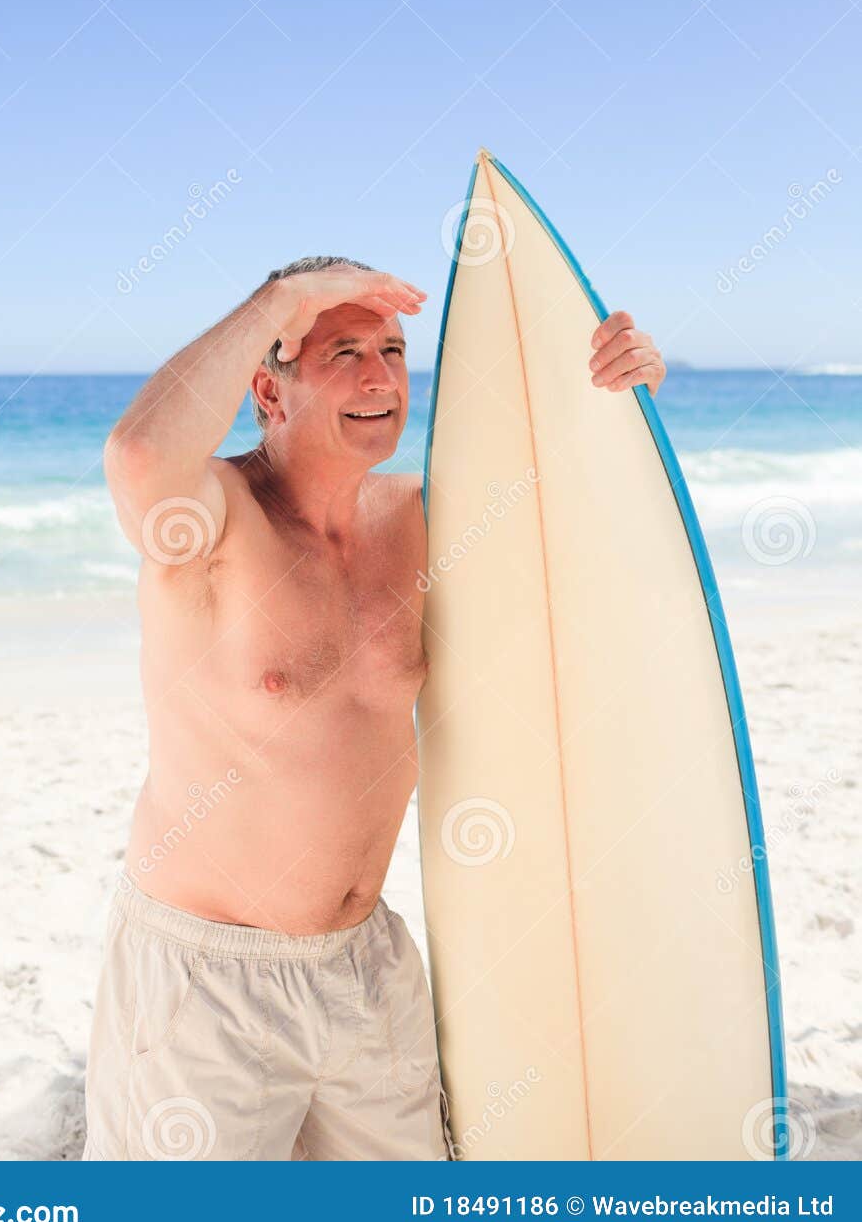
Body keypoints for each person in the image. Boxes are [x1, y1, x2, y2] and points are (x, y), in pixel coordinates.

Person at [81, 257, 666, 1161]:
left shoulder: (424, 521)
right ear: (268, 395)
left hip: (367, 969)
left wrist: (619, 390)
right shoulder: (214, 521)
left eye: (392, 350)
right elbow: (138, 456)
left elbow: (589, 527)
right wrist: (278, 299)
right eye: (342, 352)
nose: (379, 377)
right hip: (207, 982)